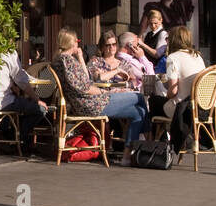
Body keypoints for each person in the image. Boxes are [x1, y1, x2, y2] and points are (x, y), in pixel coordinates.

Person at [52, 27, 149, 166]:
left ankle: (127, 155)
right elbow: (85, 87)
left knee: (138, 112)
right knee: (139, 98)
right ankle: (148, 140)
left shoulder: (64, 60)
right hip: (91, 104)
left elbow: (84, 80)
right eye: (77, 41)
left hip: (87, 103)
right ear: (72, 43)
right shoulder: (67, 61)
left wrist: (80, 58)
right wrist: (102, 92)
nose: (78, 43)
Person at [151, 24, 206, 153]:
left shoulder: (172, 58)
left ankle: (154, 148)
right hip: (201, 108)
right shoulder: (198, 56)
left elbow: (173, 92)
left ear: (174, 40)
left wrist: (164, 95)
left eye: (168, 39)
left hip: (182, 109)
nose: (166, 42)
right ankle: (182, 138)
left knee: (153, 102)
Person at [0, 42, 50, 155]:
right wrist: (37, 99)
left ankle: (9, 135)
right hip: (4, 102)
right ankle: (17, 138)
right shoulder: (7, 53)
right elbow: (22, 80)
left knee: (21, 104)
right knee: (40, 109)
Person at [137, 6, 168, 72]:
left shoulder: (163, 34)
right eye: (151, 23)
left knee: (150, 82)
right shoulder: (148, 34)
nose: (153, 26)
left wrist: (142, 44)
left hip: (157, 70)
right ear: (148, 22)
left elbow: (157, 54)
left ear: (161, 20)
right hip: (147, 68)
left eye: (155, 23)